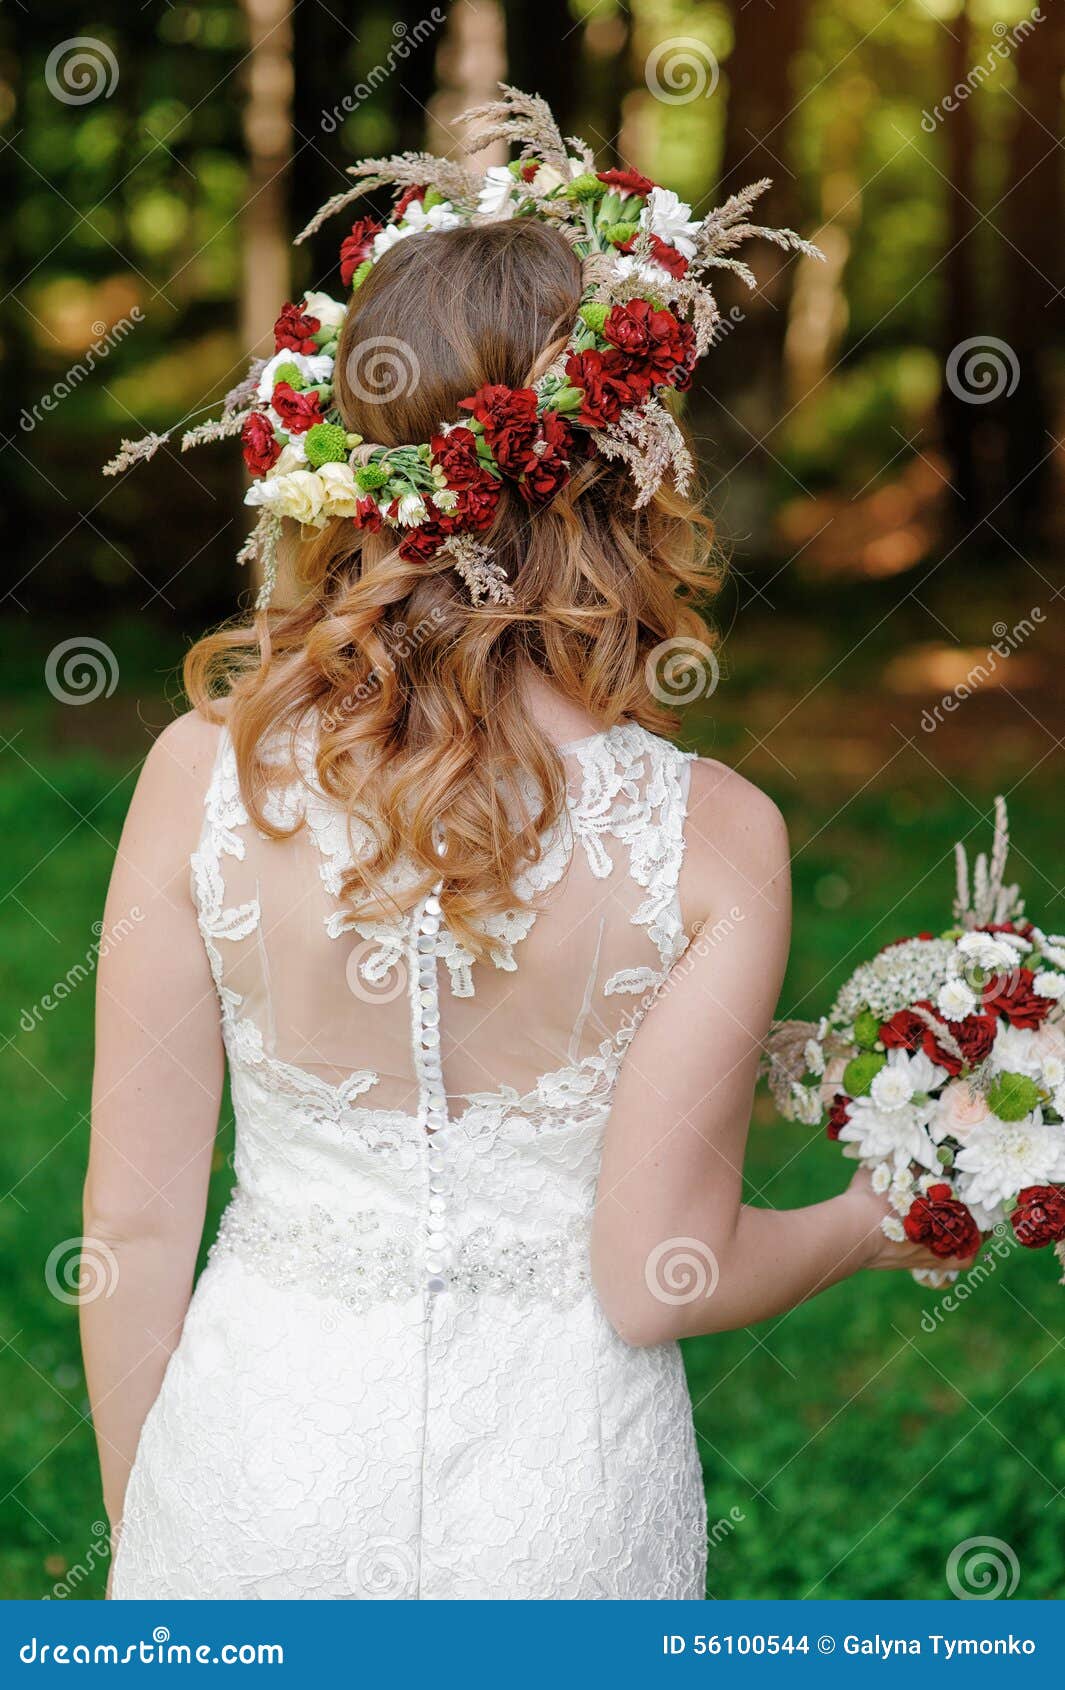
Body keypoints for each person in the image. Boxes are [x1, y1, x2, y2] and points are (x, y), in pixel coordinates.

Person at [85, 95, 976, 1601]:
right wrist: (867, 1224)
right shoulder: (712, 838)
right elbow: (653, 1274)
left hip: (251, 1478)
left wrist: (154, 1535)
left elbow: (130, 1217)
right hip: (561, 1527)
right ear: (630, 478)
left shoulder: (198, 776)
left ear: (349, 452)